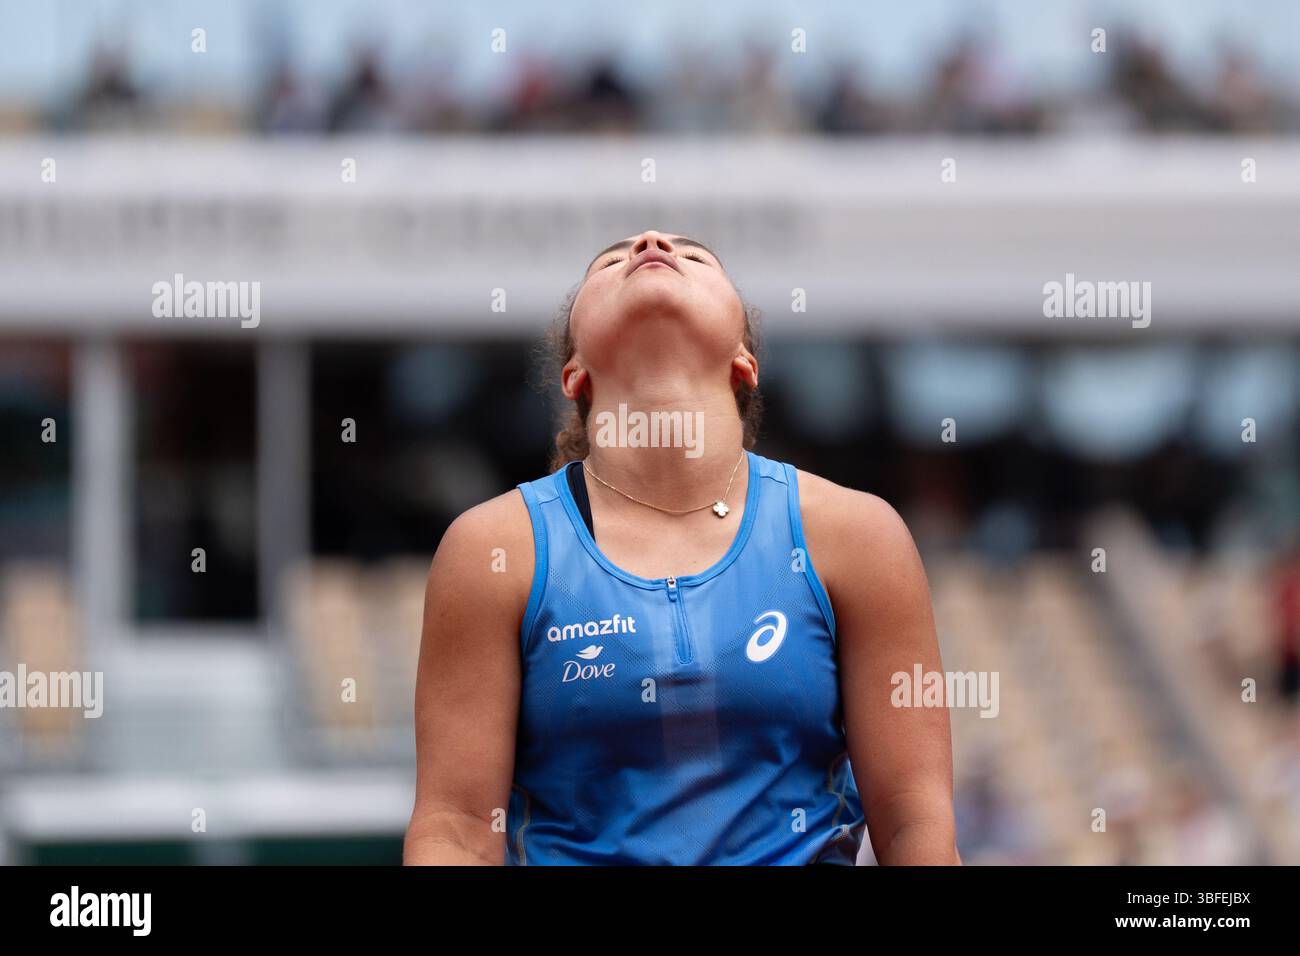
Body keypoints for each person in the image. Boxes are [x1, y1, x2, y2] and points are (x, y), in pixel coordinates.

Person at [405, 230, 958, 865]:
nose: (651, 243)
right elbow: (456, 830)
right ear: (574, 372)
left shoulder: (859, 535)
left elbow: (916, 823)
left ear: (745, 360)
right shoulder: (493, 548)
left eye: (696, 258)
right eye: (611, 263)